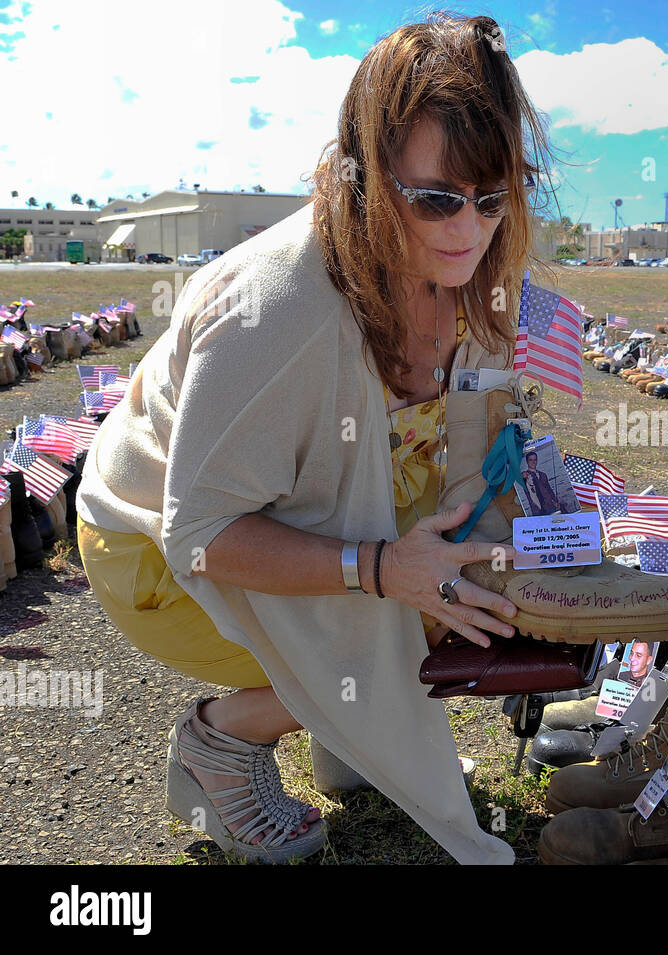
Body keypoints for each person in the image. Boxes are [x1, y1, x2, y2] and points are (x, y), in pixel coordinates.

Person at [72, 13, 554, 865]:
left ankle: (352, 731)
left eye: (494, 195)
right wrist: (379, 572)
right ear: (368, 177)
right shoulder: (277, 309)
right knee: (411, 625)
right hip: (153, 543)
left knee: (461, 603)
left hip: (307, 510)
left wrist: (516, 552)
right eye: (436, 196)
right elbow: (204, 534)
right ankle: (220, 741)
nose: (468, 229)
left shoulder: (476, 284)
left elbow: (480, 449)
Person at [521, 450, 562, 516]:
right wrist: (523, 475)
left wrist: (555, 501)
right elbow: (521, 478)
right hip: (538, 510)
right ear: (527, 462)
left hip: (550, 506)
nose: (533, 462)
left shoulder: (543, 474)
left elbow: (549, 490)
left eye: (535, 460)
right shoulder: (526, 476)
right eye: (530, 460)